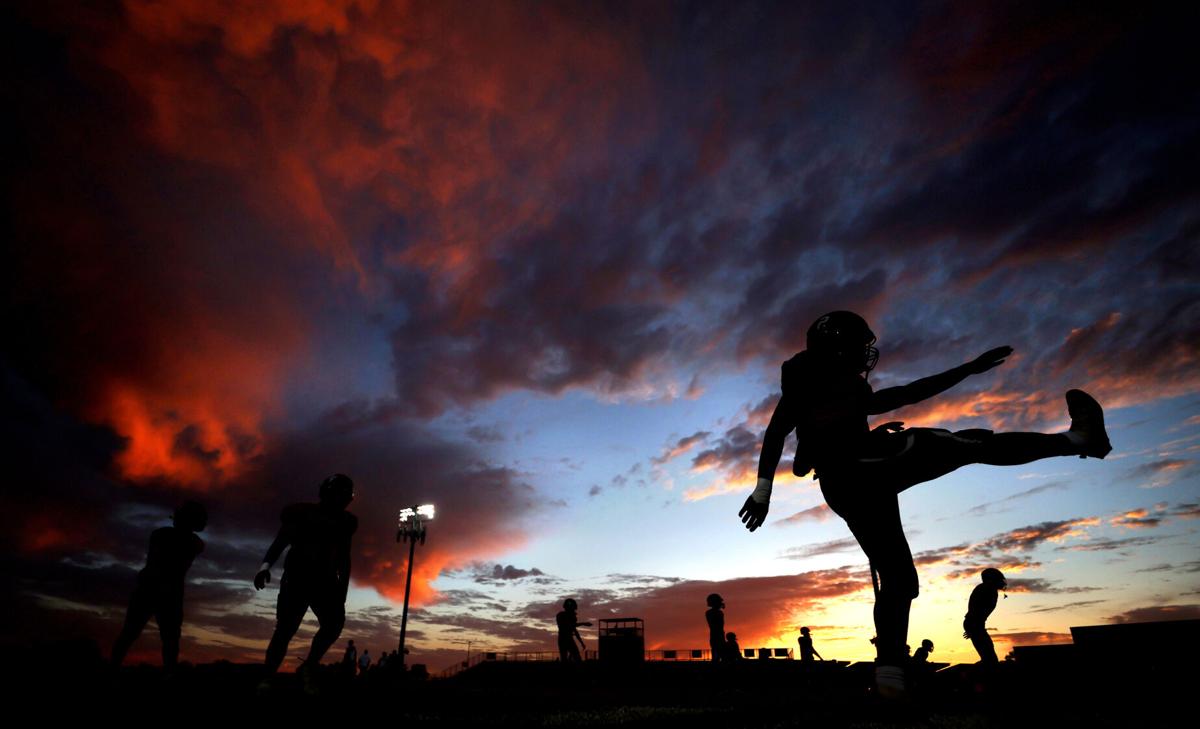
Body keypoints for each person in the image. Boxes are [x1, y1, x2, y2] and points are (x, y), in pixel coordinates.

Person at [741, 311, 1110, 697]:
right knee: (967, 443)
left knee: (899, 580)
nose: (865, 354)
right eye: (856, 346)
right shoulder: (813, 379)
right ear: (835, 349)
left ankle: (889, 676)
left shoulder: (821, 383)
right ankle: (1079, 441)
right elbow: (790, 429)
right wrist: (965, 370)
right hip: (863, 470)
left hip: (847, 483)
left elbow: (821, 435)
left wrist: (772, 486)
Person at [254, 473, 357, 684]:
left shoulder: (345, 522)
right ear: (328, 494)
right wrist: (264, 567)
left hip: (325, 581)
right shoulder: (302, 514)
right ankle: (267, 678)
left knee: (334, 625)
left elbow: (344, 558)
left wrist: (342, 590)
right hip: (297, 579)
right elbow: (280, 541)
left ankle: (309, 666)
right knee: (285, 630)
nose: (343, 500)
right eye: (340, 494)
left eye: (346, 495)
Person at [111, 501, 207, 669]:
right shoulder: (190, 542)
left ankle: (113, 668)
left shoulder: (164, 535)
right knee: (163, 638)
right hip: (163, 592)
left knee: (145, 636)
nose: (175, 520)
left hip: (155, 591)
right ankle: (166, 673)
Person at [964, 568, 1006, 666]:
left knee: (989, 657)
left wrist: (974, 628)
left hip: (976, 624)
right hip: (975, 624)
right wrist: (974, 628)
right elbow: (975, 610)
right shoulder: (985, 589)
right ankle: (969, 676)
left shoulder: (988, 589)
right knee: (990, 659)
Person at [705, 593, 726, 662]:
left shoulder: (710, 612)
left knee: (716, 652)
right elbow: (719, 625)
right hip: (718, 634)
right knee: (719, 653)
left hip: (715, 634)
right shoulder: (717, 613)